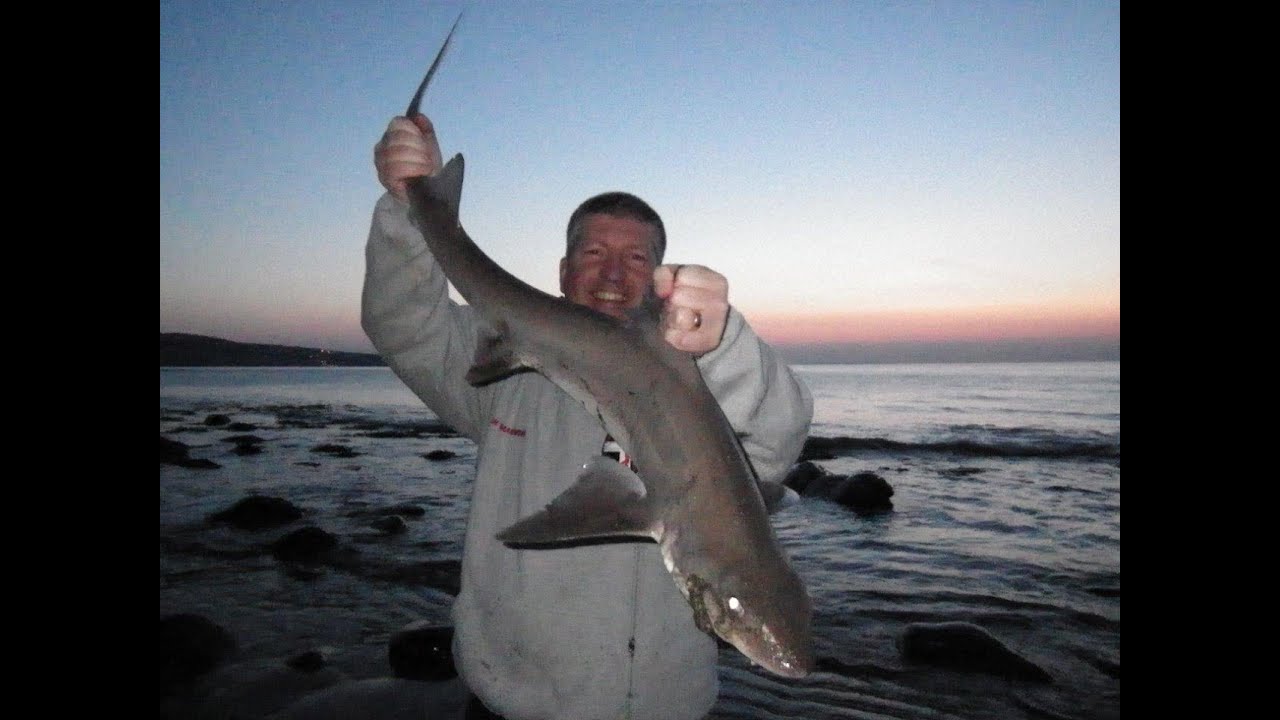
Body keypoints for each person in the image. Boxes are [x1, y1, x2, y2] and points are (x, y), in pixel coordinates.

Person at [363, 114, 814, 720]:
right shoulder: (498, 375)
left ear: (662, 281)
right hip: (515, 703)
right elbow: (403, 323)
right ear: (562, 269)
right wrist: (408, 208)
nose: (611, 272)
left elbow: (779, 433)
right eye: (594, 252)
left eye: (636, 258)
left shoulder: (706, 373)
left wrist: (724, 339)